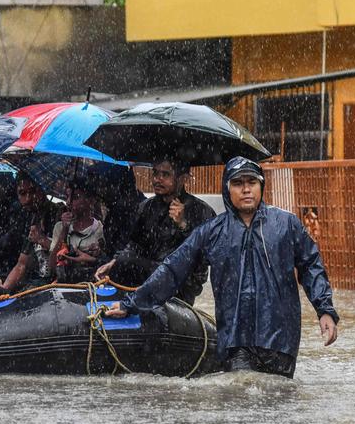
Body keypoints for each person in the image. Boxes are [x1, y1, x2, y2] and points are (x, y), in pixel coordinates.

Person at [106, 157, 339, 378]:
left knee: (277, 402)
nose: (246, 189)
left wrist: (325, 310)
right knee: (239, 399)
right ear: (228, 189)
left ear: (261, 186)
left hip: (280, 340)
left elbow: (311, 266)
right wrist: (132, 303)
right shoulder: (212, 232)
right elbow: (172, 269)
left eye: (252, 182)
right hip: (235, 341)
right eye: (238, 183)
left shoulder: (286, 225)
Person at [94, 159, 214, 304]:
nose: (157, 179)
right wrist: (114, 262)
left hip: (180, 286)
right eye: (155, 173)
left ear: (183, 179)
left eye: (166, 174)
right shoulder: (146, 207)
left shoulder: (201, 211)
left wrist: (184, 226)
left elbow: (203, 261)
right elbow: (134, 244)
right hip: (145, 281)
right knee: (115, 267)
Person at [0, 174, 65, 292]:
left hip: (61, 284)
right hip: (37, 283)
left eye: (33, 191)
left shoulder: (60, 215)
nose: (28, 198)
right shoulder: (27, 217)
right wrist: (3, 291)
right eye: (23, 193)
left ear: (42, 189)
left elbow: (67, 254)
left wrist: (42, 240)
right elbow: (22, 264)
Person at [48, 179, 105, 284]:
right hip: (63, 286)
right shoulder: (59, 227)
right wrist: (64, 231)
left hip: (88, 286)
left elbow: (104, 266)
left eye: (75, 197)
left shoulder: (100, 230)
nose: (68, 202)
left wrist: (94, 258)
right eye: (67, 197)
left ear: (90, 201)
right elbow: (51, 266)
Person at [90, 165, 144, 257]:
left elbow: (122, 256)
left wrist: (96, 260)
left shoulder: (126, 210)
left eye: (102, 186)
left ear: (116, 185)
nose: (99, 191)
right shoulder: (117, 207)